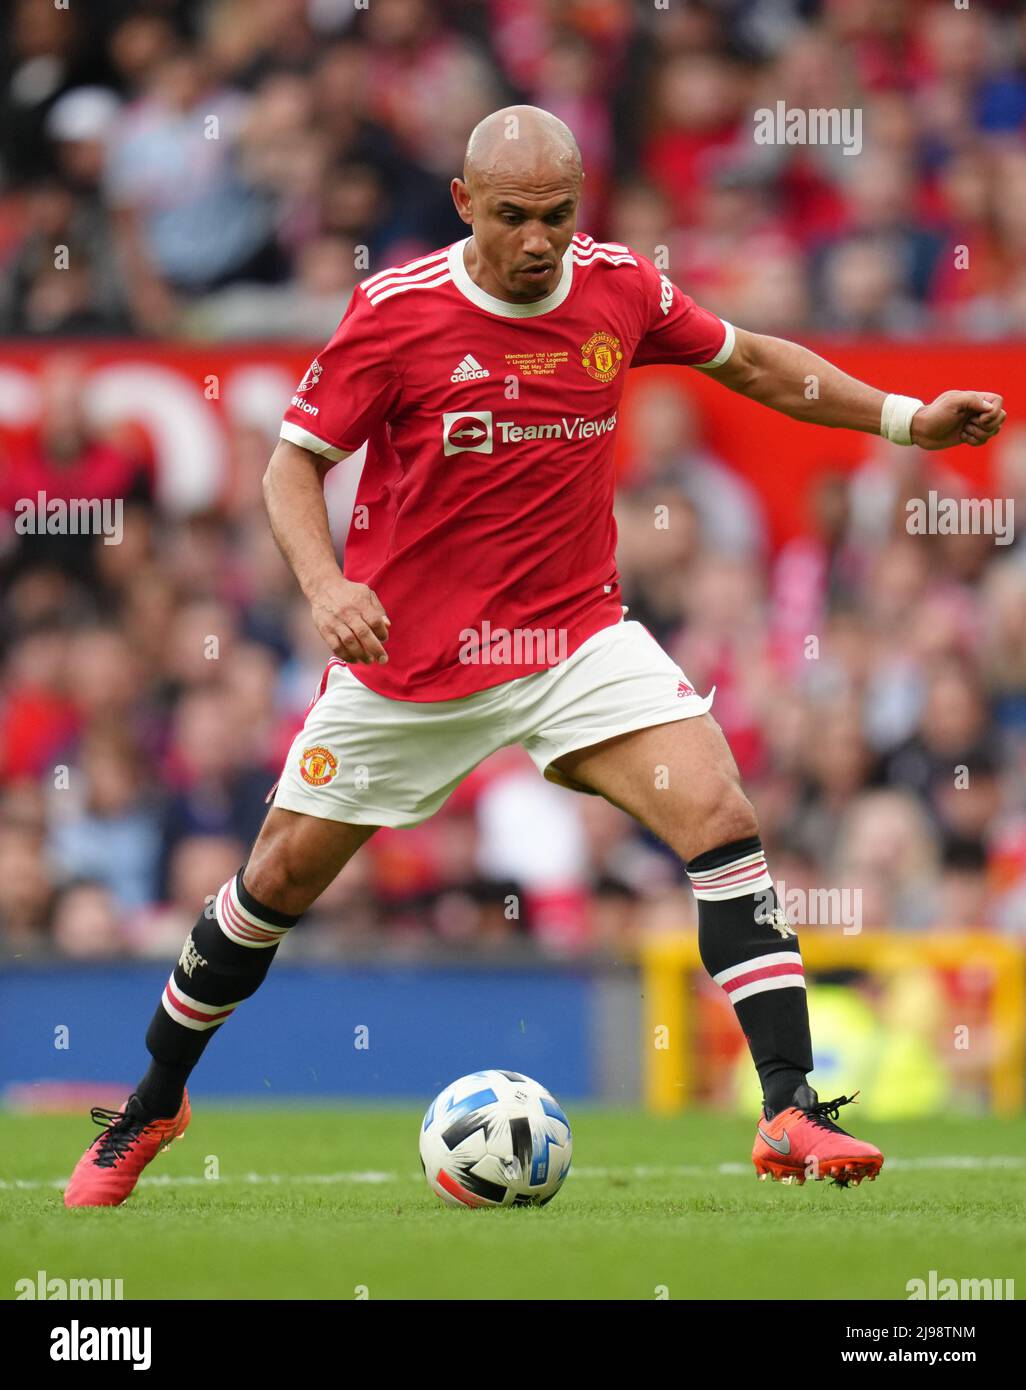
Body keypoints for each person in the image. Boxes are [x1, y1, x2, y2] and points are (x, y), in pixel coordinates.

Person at [64, 106, 1006, 1206]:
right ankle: (153, 1102)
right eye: (512, 217)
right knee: (270, 884)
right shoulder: (396, 313)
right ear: (465, 206)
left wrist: (905, 418)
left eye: (557, 216)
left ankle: (789, 1107)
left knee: (723, 814)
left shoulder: (619, 287)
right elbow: (291, 467)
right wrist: (326, 586)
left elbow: (750, 361)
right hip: (410, 665)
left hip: (574, 638)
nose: (537, 241)